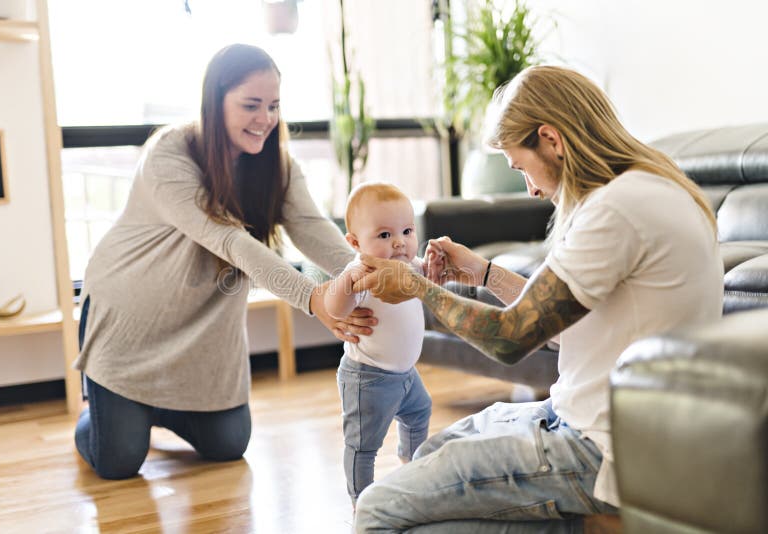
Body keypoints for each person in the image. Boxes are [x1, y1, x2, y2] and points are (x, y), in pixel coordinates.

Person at [352, 65, 723, 532]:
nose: (530, 188)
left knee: (376, 508)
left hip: (603, 448)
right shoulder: (641, 187)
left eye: (521, 167)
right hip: (587, 420)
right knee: (430, 455)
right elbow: (557, 322)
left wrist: (417, 287)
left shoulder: (616, 209)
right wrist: (480, 272)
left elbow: (512, 339)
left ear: (551, 139)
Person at [73, 43, 376, 480]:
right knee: (118, 461)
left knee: (228, 446)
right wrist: (315, 300)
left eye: (273, 106)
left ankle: (151, 408)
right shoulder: (170, 154)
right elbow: (229, 240)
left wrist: (368, 274)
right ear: (214, 104)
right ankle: (105, 408)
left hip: (204, 334)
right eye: (250, 105)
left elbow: (309, 227)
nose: (265, 119)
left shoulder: (276, 164)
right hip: (131, 324)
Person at [324, 183, 432, 506]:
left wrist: (434, 266)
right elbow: (335, 309)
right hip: (368, 379)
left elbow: (430, 283)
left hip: (406, 375)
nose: (400, 242)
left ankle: (410, 466)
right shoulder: (362, 273)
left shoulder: (411, 266)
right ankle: (362, 503)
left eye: (407, 231)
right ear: (356, 243)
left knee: (420, 412)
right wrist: (347, 282)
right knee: (363, 446)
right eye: (385, 235)